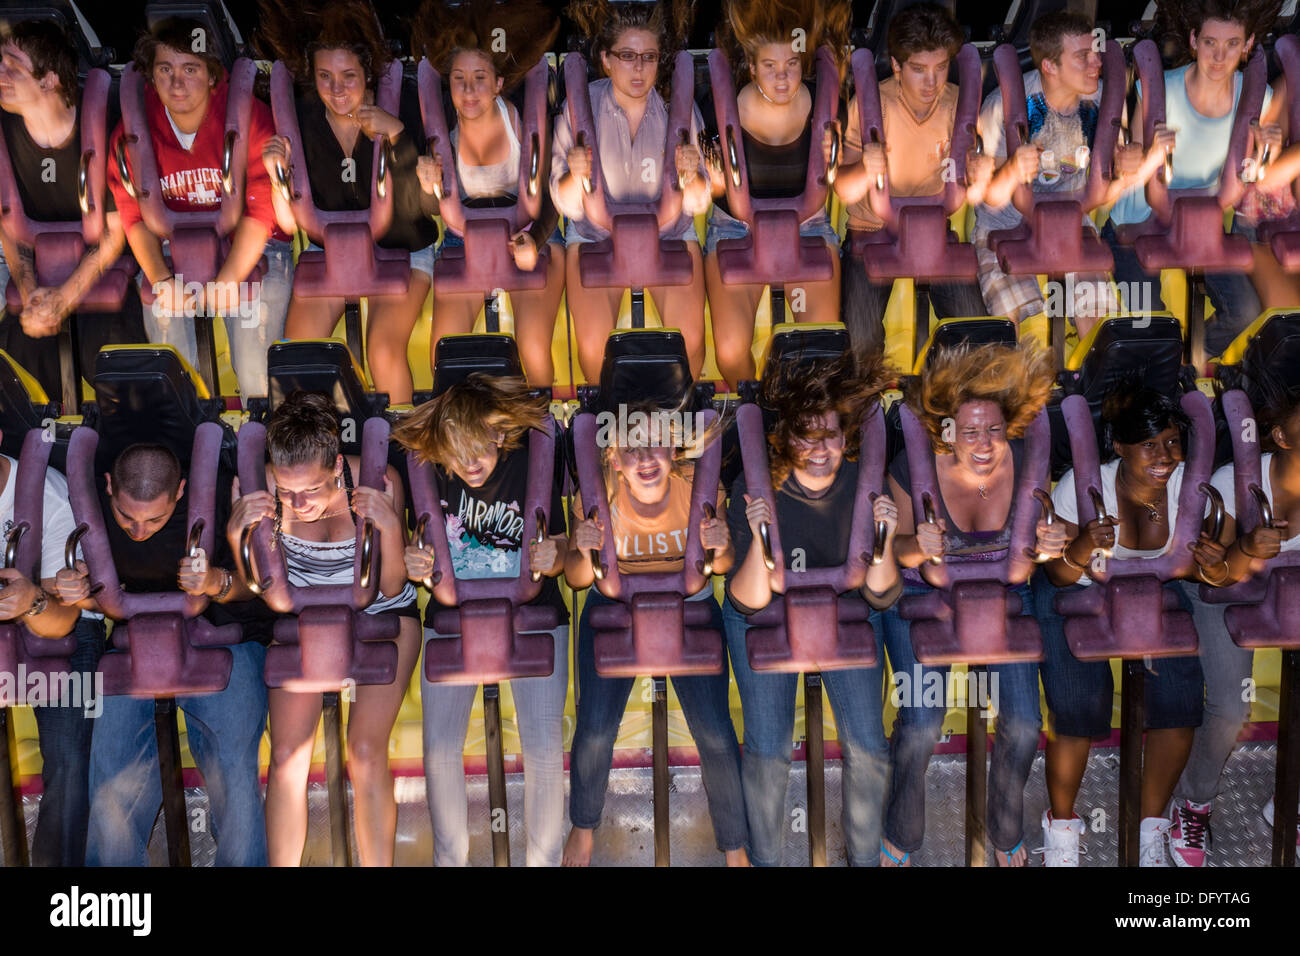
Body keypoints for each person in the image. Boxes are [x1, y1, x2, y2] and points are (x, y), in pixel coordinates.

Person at [881, 342, 1063, 866]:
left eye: (993, 430)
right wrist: (918, 546)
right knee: (920, 723)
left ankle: (1004, 828)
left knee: (1026, 723)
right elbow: (887, 552)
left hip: (1002, 594)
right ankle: (902, 833)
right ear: (946, 432)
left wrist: (1056, 540)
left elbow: (1050, 542)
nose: (983, 444)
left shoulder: (1027, 462)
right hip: (923, 595)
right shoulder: (911, 466)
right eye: (969, 431)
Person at [722, 350, 902, 866]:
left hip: (845, 604)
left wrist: (884, 537)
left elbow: (882, 594)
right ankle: (766, 860)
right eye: (806, 435)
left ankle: (864, 857)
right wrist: (759, 539)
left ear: (845, 440)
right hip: (765, 610)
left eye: (830, 435)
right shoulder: (753, 488)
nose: (820, 448)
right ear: (785, 440)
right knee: (769, 751)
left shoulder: (865, 487)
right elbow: (747, 600)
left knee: (869, 745)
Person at [55, 442, 273, 866]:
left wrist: (214, 581)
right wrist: (78, 593)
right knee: (110, 786)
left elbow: (258, 588)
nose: (139, 530)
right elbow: (91, 593)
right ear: (108, 488)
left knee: (234, 777)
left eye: (154, 517)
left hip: (224, 634)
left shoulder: (220, 491)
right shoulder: (89, 508)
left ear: (180, 493)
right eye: (126, 517)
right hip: (138, 639)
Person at [228, 390, 419, 866]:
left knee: (365, 750)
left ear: (336, 465)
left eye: (310, 490)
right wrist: (237, 536)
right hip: (306, 620)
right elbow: (257, 588)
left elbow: (393, 583)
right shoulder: (258, 488)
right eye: (287, 490)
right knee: (289, 757)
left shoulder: (377, 479)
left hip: (382, 613)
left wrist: (390, 526)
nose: (298, 502)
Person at [1036, 385, 1218, 867]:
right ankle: (1062, 831)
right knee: (1077, 709)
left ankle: (1151, 828)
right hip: (1075, 591)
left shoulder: (1186, 487)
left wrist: (1212, 564)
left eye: (1173, 442)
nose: (1166, 456)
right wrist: (1080, 546)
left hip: (1149, 587)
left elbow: (1198, 567)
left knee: (1179, 703)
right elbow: (1058, 574)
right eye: (1150, 445)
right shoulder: (1082, 483)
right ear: (1119, 446)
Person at [392, 374, 569, 866]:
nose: (469, 464)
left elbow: (565, 549)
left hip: (534, 613)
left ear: (498, 435)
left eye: (479, 449)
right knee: (440, 750)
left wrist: (556, 553)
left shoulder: (530, 458)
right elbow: (413, 549)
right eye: (456, 452)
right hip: (452, 617)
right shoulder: (430, 467)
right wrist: (413, 561)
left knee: (543, 751)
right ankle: (451, 861)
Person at [561, 404, 747, 865]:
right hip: (616, 604)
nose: (646, 457)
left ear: (673, 446)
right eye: (631, 447)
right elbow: (577, 579)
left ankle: (736, 846)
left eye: (655, 443)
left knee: (717, 734)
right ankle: (583, 828)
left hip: (689, 604)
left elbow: (719, 567)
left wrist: (721, 543)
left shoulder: (697, 487)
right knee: (596, 729)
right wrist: (583, 548)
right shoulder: (596, 492)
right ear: (612, 459)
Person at [258, 0, 438, 405]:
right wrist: (277, 173)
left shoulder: (403, 101)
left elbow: (428, 207)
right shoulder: (302, 116)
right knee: (296, 356)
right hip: (333, 252)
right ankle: (313, 452)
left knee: (383, 350)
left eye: (348, 77)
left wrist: (397, 136)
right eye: (325, 77)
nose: (337, 90)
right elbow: (288, 225)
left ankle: (398, 455)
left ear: (368, 73)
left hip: (404, 251)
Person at [107, 17, 294, 400]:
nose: (176, 83)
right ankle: (189, 450)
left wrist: (227, 280)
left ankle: (260, 447)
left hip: (252, 246)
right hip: (172, 250)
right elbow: (133, 218)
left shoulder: (246, 115)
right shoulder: (134, 127)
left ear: (213, 75)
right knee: (171, 376)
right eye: (165, 70)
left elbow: (261, 213)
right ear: (151, 76)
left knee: (256, 373)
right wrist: (161, 281)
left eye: (190, 69)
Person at [1104, 0, 1282, 358]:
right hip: (1137, 224)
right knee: (1149, 327)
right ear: (1193, 41)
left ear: (1247, 46)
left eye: (1232, 44)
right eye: (1210, 43)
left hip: (1200, 222)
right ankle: (1163, 363)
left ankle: (1186, 364)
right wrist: (1130, 158)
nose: (1220, 56)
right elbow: (1133, 164)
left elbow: (1256, 177)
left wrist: (1269, 150)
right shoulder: (1159, 90)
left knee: (1245, 313)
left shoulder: (1258, 97)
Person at [976, 11, 1167, 338]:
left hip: (1073, 220)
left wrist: (1130, 160)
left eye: (1095, 53)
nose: (1096, 63)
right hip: (1006, 223)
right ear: (1050, 66)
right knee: (1015, 333)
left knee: (1099, 327)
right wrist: (1011, 171)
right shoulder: (1002, 105)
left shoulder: (1103, 100)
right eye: (1083, 57)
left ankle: (1088, 387)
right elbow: (990, 198)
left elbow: (1110, 177)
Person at [552, 0, 711, 383]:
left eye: (648, 57)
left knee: (688, 349)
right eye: (627, 56)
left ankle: (671, 429)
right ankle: (611, 428)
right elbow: (567, 205)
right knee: (594, 353)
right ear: (606, 60)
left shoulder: (679, 107)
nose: (639, 68)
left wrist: (693, 175)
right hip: (596, 236)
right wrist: (575, 175)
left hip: (669, 234)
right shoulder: (580, 106)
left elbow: (701, 201)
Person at [411, 0, 565, 387]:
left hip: (532, 232)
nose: (468, 90)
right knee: (444, 356)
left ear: (498, 83)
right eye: (459, 79)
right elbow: (433, 208)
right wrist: (426, 182)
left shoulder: (523, 121)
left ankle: (546, 433)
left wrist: (535, 238)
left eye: (480, 78)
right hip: (465, 240)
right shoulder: (442, 130)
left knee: (532, 350)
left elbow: (549, 197)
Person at [700, 0, 849, 386]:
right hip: (738, 230)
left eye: (791, 66)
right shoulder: (717, 109)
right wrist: (711, 178)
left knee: (820, 349)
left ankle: (800, 414)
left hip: (807, 228)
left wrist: (838, 158)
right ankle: (762, 412)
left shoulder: (828, 106)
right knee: (731, 354)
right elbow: (712, 192)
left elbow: (844, 179)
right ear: (751, 67)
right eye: (770, 67)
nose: (782, 78)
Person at [0, 19, 148, 401]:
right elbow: (10, 229)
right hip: (39, 271)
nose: (0, 73)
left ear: (49, 80)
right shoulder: (4, 131)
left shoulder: (103, 120)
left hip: (103, 267)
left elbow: (115, 233)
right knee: (17, 381)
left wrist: (63, 300)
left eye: (11, 65)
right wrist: (34, 296)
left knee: (122, 381)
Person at [834, 2, 992, 360]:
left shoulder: (956, 105)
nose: (932, 82)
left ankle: (947, 394)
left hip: (933, 230)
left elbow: (976, 186)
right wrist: (865, 168)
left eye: (940, 68)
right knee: (860, 344)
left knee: (976, 332)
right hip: (871, 230)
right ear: (896, 65)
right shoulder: (873, 104)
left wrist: (979, 172)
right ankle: (873, 408)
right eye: (919, 70)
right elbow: (843, 188)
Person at [0, 422, 100, 866]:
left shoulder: (44, 490)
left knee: (69, 757)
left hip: (64, 621)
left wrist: (30, 602)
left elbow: (65, 617)